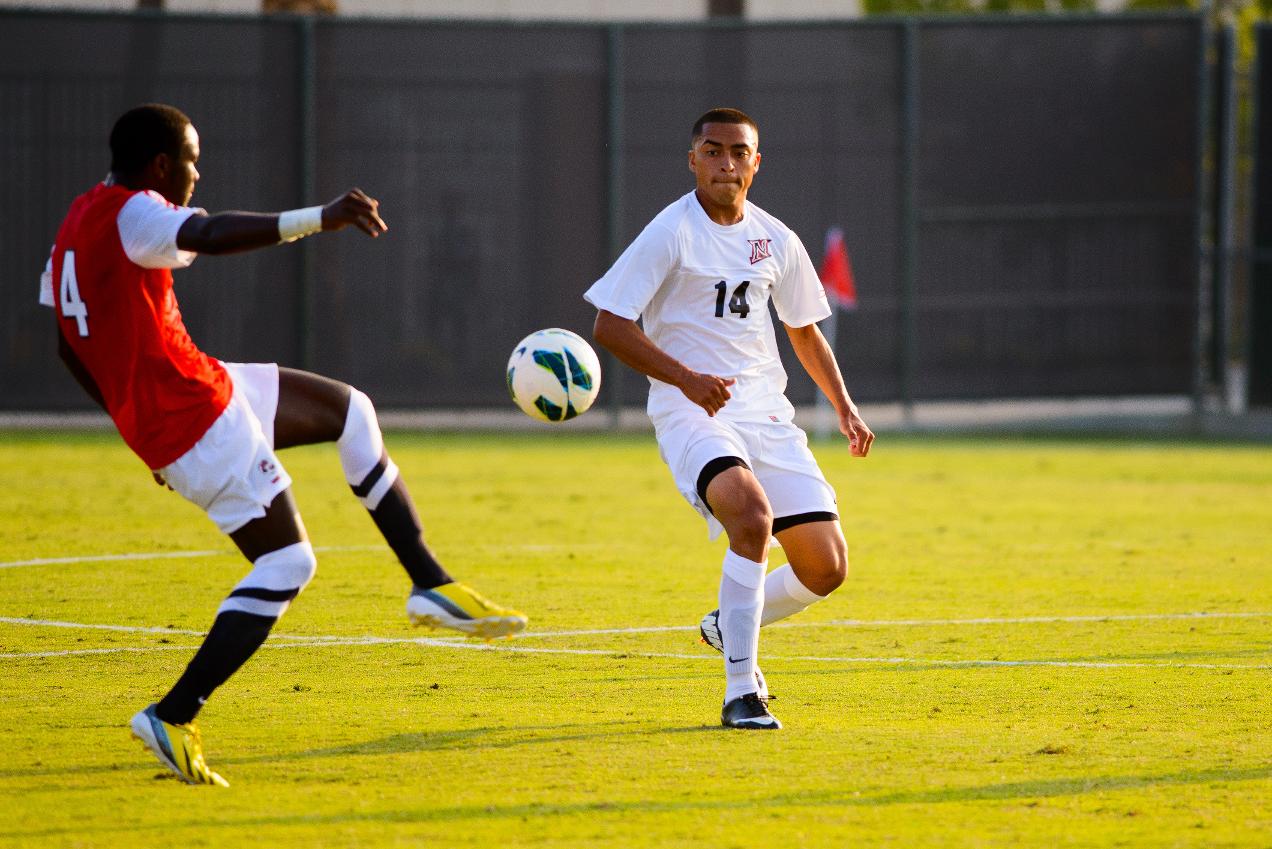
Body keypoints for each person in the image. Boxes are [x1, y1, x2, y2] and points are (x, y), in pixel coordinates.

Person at [39, 103, 527, 786]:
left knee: (351, 410)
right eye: (191, 159)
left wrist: (130, 421)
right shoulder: (138, 210)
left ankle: (430, 584)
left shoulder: (76, 221)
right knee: (287, 563)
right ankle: (173, 714)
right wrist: (317, 219)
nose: (197, 172)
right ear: (159, 165)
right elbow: (207, 233)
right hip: (192, 418)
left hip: (193, 388)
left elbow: (67, 344)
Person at [584, 107, 874, 730]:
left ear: (756, 163)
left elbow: (803, 328)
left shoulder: (776, 237)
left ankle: (728, 623)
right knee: (750, 515)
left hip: (767, 415)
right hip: (691, 411)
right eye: (712, 151)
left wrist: (845, 409)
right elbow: (610, 324)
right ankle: (741, 691)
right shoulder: (672, 231)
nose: (726, 163)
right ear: (693, 159)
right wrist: (686, 379)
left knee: (825, 569)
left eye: (739, 152)